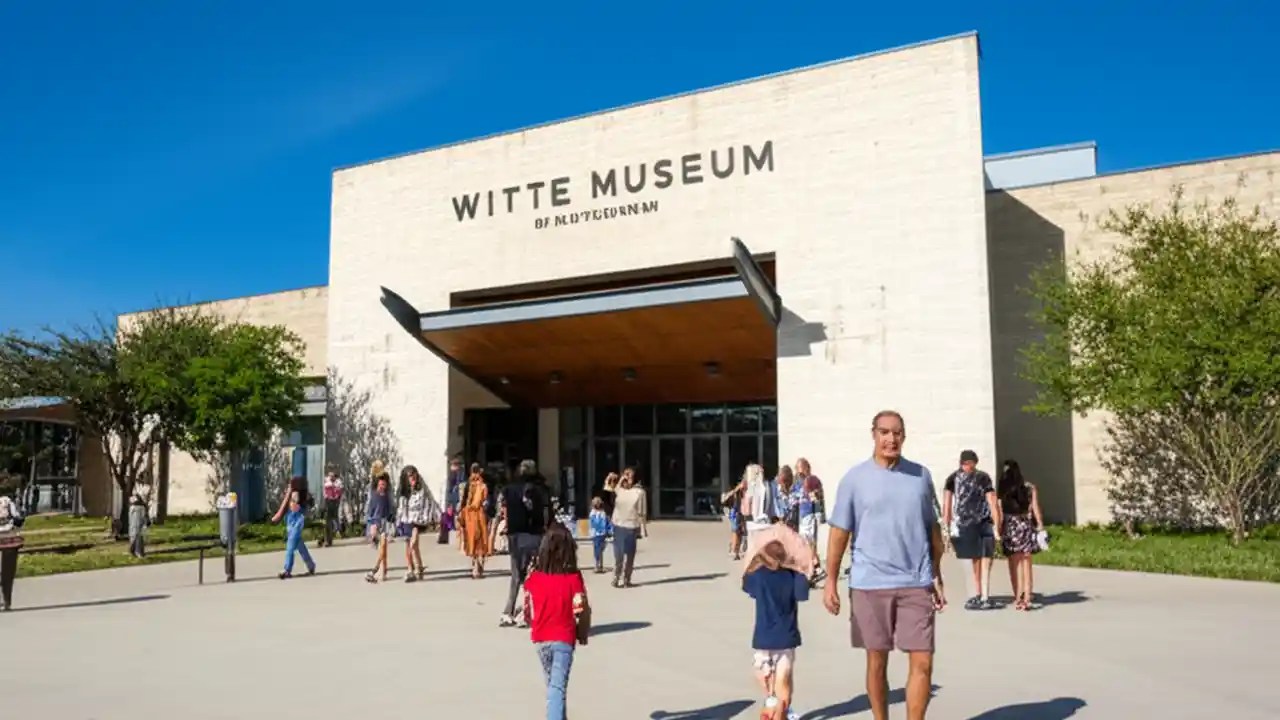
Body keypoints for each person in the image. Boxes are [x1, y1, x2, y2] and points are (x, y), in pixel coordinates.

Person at [824, 410, 946, 720]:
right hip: (869, 583)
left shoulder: (921, 476)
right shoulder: (854, 479)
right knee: (877, 662)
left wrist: (937, 574)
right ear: (874, 434)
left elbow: (933, 531)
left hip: (915, 582)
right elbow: (839, 533)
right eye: (885, 432)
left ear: (904, 436)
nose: (891, 439)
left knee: (923, 662)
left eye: (898, 433)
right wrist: (830, 581)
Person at [522, 522, 590, 720]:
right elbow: (581, 608)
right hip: (563, 639)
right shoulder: (573, 578)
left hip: (540, 638)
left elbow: (527, 609)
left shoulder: (534, 578)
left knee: (553, 685)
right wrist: (583, 632)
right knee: (557, 688)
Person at [744, 539, 810, 720]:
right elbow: (803, 594)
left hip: (764, 637)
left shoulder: (758, 575)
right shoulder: (792, 575)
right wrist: (800, 567)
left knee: (764, 674)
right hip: (787, 637)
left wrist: (754, 561)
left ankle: (771, 701)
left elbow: (746, 586)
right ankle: (781, 708)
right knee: (785, 679)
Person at [942, 449, 1002, 610]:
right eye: (965, 463)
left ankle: (984, 595)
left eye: (971, 463)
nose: (968, 466)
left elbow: (992, 501)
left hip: (983, 521)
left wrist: (996, 525)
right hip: (966, 524)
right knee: (976, 559)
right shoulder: (952, 479)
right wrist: (946, 528)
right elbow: (947, 505)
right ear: (961, 463)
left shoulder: (982, 477)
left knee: (986, 558)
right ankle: (979, 593)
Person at [500, 459, 551, 627]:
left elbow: (504, 510)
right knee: (532, 575)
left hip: (514, 535)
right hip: (533, 535)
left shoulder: (509, 489)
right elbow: (545, 512)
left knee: (516, 575)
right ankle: (525, 612)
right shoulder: (539, 489)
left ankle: (508, 612)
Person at [998, 460, 1045, 611]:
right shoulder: (1030, 488)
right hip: (1025, 525)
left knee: (1014, 563)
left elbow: (999, 511)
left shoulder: (1003, 490)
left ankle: (1017, 597)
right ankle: (1027, 597)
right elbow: (1035, 508)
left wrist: (998, 529)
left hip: (1010, 527)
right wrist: (1040, 526)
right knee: (1026, 562)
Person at [271, 475, 316, 580]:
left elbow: (287, 506)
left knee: (290, 546)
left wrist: (277, 516)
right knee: (300, 546)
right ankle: (311, 565)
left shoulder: (296, 495)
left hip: (295, 524)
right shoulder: (300, 495)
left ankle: (287, 569)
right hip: (291, 523)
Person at [609, 466, 648, 589]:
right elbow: (612, 488)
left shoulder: (640, 492)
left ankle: (626, 579)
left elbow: (642, 511)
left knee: (629, 555)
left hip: (631, 525)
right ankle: (616, 577)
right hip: (618, 525)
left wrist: (643, 528)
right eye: (625, 474)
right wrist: (622, 479)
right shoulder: (620, 490)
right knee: (618, 554)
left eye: (630, 475)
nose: (627, 477)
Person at [397, 464, 435, 582]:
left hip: (418, 521)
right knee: (410, 546)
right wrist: (398, 521)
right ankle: (414, 568)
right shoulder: (404, 492)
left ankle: (417, 568)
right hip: (407, 520)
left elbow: (429, 502)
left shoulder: (421, 490)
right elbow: (400, 508)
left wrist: (429, 518)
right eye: (410, 477)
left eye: (414, 476)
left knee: (413, 543)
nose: (413, 479)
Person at [795, 458, 825, 584]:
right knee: (806, 544)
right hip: (802, 516)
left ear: (806, 468)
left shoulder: (812, 481)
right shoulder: (797, 482)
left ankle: (814, 571)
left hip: (809, 515)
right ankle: (815, 569)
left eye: (799, 468)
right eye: (797, 469)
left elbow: (817, 499)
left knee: (809, 544)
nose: (798, 471)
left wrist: (819, 515)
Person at [365, 464, 395, 584]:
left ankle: (377, 570)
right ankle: (382, 571)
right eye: (381, 485)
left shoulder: (387, 496)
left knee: (383, 548)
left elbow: (391, 509)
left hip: (386, 523)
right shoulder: (373, 496)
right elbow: (369, 512)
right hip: (375, 523)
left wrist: (393, 519)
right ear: (377, 484)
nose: (383, 487)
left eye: (384, 485)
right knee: (382, 549)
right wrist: (371, 525)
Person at [461, 463, 492, 579]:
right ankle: (477, 566)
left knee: (474, 540)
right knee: (479, 540)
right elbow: (487, 502)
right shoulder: (481, 485)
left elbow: (464, 501)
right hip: (476, 515)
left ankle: (476, 566)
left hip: (473, 515)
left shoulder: (471, 485)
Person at [0, 488, 24, 611]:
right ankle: (6, 600)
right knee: (7, 573)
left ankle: (6, 600)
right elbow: (19, 519)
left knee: (6, 573)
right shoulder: (9, 502)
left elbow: (18, 519)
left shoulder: (8, 502)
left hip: (9, 540)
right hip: (10, 539)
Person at [440, 455, 465, 545]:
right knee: (452, 517)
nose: (451, 467)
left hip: (456, 499)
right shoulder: (453, 476)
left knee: (456, 517)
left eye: (453, 465)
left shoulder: (459, 475)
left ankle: (457, 537)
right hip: (453, 499)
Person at [721, 476, 748, 560]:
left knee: (740, 532)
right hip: (733, 513)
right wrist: (736, 489)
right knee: (735, 530)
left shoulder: (744, 491)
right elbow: (724, 500)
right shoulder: (733, 492)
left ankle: (737, 550)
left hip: (741, 513)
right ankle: (733, 550)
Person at [128, 476, 153, 559]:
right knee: (134, 531)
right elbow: (132, 499)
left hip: (140, 509)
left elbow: (144, 500)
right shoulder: (134, 487)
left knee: (140, 531)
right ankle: (133, 550)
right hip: (134, 509)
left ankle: (138, 551)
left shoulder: (147, 488)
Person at [321, 466, 344, 547]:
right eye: (329, 475)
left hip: (335, 503)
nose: (331, 477)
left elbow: (339, 493)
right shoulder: (326, 482)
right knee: (327, 521)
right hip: (328, 502)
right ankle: (327, 540)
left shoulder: (338, 482)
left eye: (332, 475)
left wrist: (336, 498)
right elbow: (324, 493)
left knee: (335, 520)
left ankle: (337, 531)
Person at [588, 497, 611, 574]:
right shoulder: (593, 513)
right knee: (597, 550)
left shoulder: (602, 512)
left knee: (599, 549)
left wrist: (608, 530)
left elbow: (606, 523)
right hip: (596, 534)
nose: (597, 504)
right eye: (596, 503)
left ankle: (599, 565)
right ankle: (597, 565)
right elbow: (594, 523)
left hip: (601, 534)